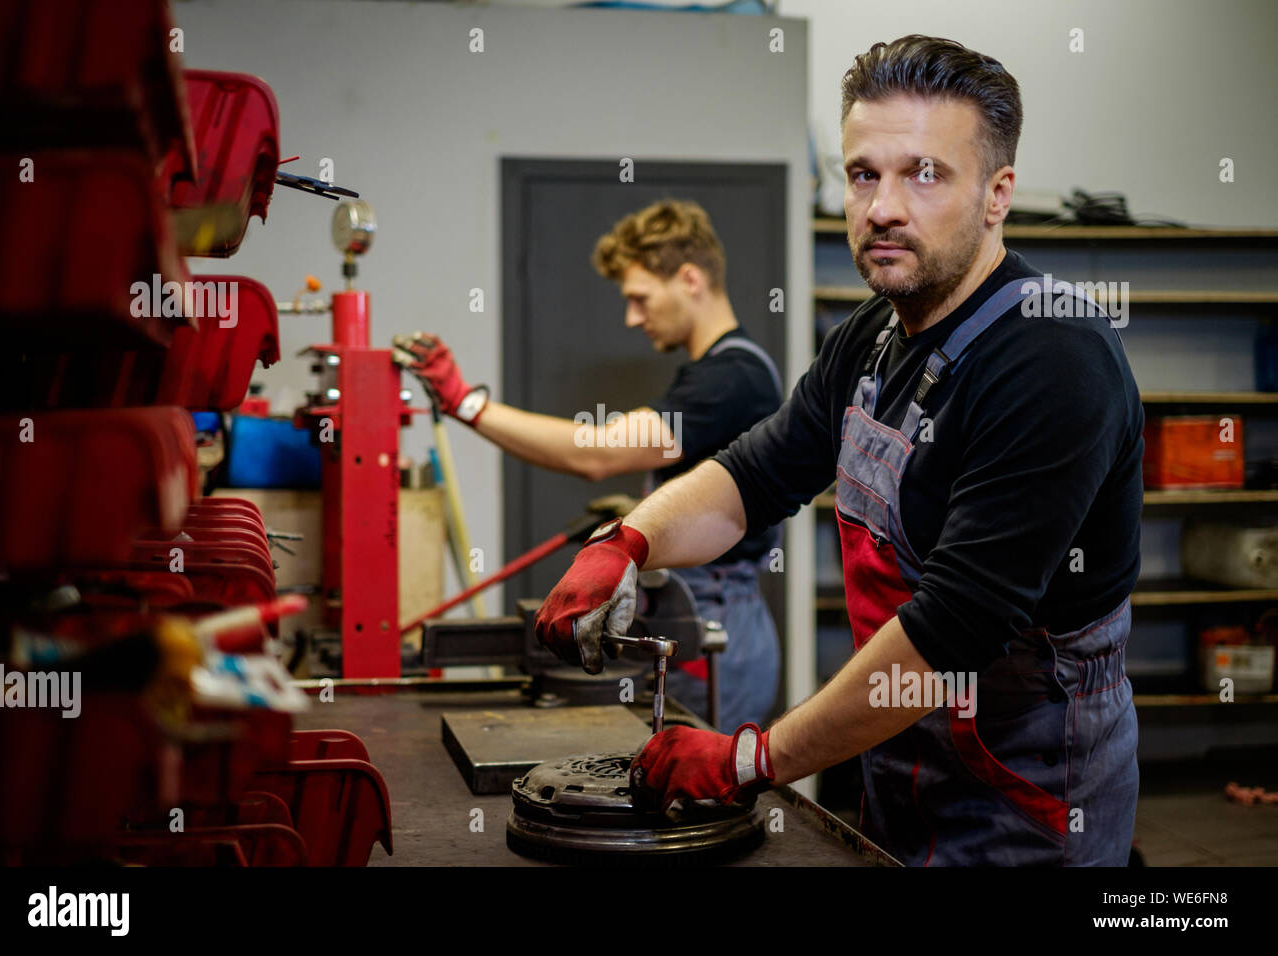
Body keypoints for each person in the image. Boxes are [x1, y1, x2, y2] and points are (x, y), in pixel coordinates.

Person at [532, 35, 1143, 866]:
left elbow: (953, 631)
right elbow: (755, 474)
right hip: (899, 760)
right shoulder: (872, 337)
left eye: (923, 173)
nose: (883, 206)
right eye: (864, 174)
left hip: (1028, 790)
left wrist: (751, 758)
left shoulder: (1053, 357)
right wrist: (630, 541)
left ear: (998, 195)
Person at [397, 199, 784, 732]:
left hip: (718, 621)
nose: (632, 317)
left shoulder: (732, 378)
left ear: (690, 279)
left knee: (705, 798)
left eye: (640, 298)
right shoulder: (718, 371)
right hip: (705, 606)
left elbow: (597, 453)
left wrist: (467, 403)